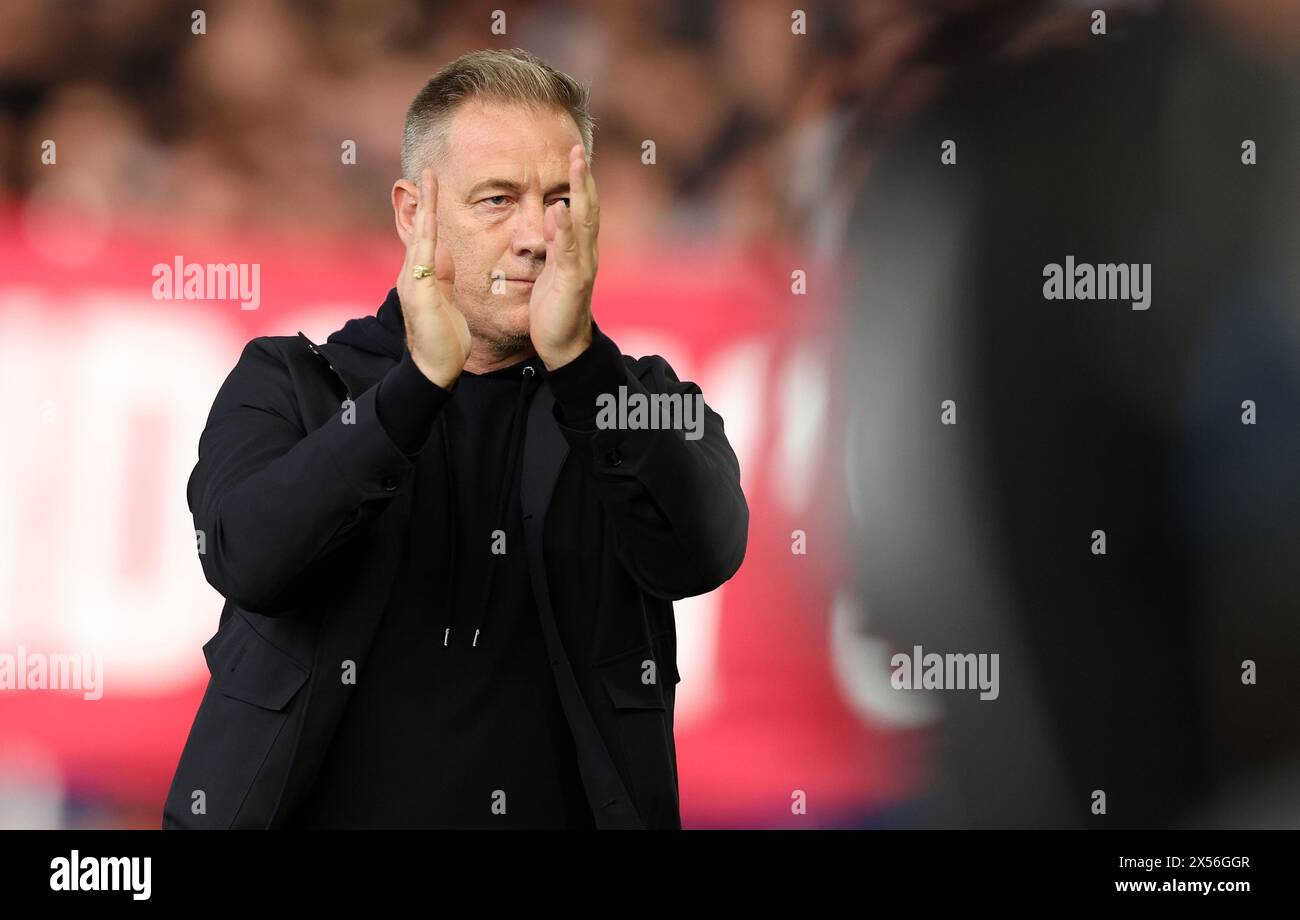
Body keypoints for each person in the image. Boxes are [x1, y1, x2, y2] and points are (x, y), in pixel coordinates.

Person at [162, 48, 748, 830]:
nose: (537, 235)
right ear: (414, 213)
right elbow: (246, 557)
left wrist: (580, 366)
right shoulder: (289, 381)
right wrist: (416, 388)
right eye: (498, 199)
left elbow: (705, 549)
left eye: (560, 200)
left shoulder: (634, 396)